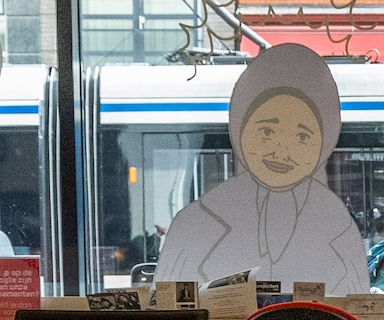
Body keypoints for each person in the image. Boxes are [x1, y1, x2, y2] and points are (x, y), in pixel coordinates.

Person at [156, 43, 371, 292]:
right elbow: (167, 315)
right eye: (267, 131)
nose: (281, 152)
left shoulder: (340, 229)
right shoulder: (195, 223)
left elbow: (358, 312)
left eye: (302, 137)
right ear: (239, 129)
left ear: (324, 144)